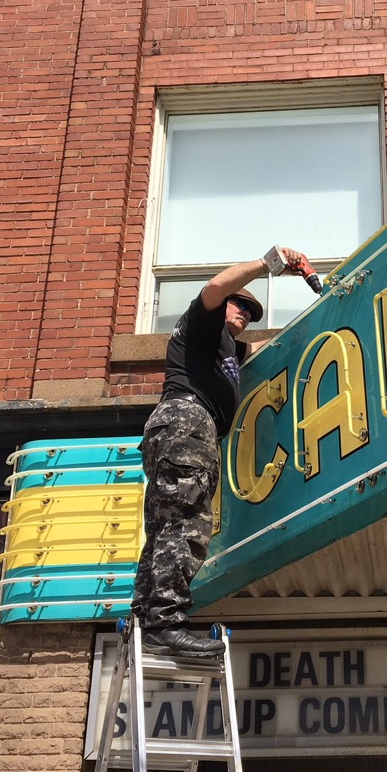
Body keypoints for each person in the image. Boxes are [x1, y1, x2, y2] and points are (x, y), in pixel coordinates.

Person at [132, 247, 307, 655]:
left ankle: (146, 620)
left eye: (251, 313)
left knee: (164, 527)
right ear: (224, 303)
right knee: (186, 524)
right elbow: (214, 287)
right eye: (240, 305)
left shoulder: (227, 346)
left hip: (175, 428)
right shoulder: (203, 322)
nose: (245, 314)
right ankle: (166, 622)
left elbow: (264, 348)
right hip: (188, 423)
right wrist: (269, 263)